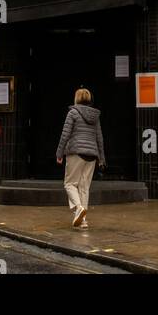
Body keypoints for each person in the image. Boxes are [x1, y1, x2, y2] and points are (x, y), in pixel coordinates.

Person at [56, 87, 105, 230]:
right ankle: (83, 221)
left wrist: (59, 153)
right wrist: (101, 158)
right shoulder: (95, 116)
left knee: (70, 184)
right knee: (84, 187)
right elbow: (99, 138)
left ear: (76, 99)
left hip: (76, 152)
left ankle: (78, 209)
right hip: (92, 155)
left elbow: (65, 134)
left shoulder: (73, 113)